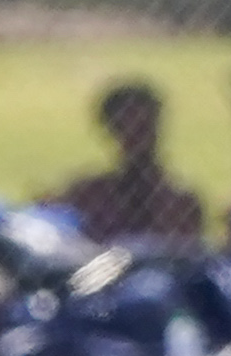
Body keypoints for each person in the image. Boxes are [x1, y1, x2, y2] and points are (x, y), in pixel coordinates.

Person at [53, 79, 205, 244]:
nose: (139, 139)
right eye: (126, 128)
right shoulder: (89, 195)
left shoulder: (180, 202)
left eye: (143, 128)